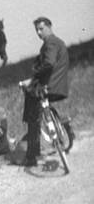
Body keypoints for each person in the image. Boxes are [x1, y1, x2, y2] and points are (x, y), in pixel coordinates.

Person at [18, 17, 70, 168]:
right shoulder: (58, 42)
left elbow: (48, 64)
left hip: (49, 87)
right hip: (58, 86)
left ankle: (31, 156)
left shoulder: (51, 43)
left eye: (41, 29)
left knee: (32, 115)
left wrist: (31, 79)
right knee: (35, 108)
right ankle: (59, 127)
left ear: (49, 27)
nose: (39, 33)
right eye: (37, 30)